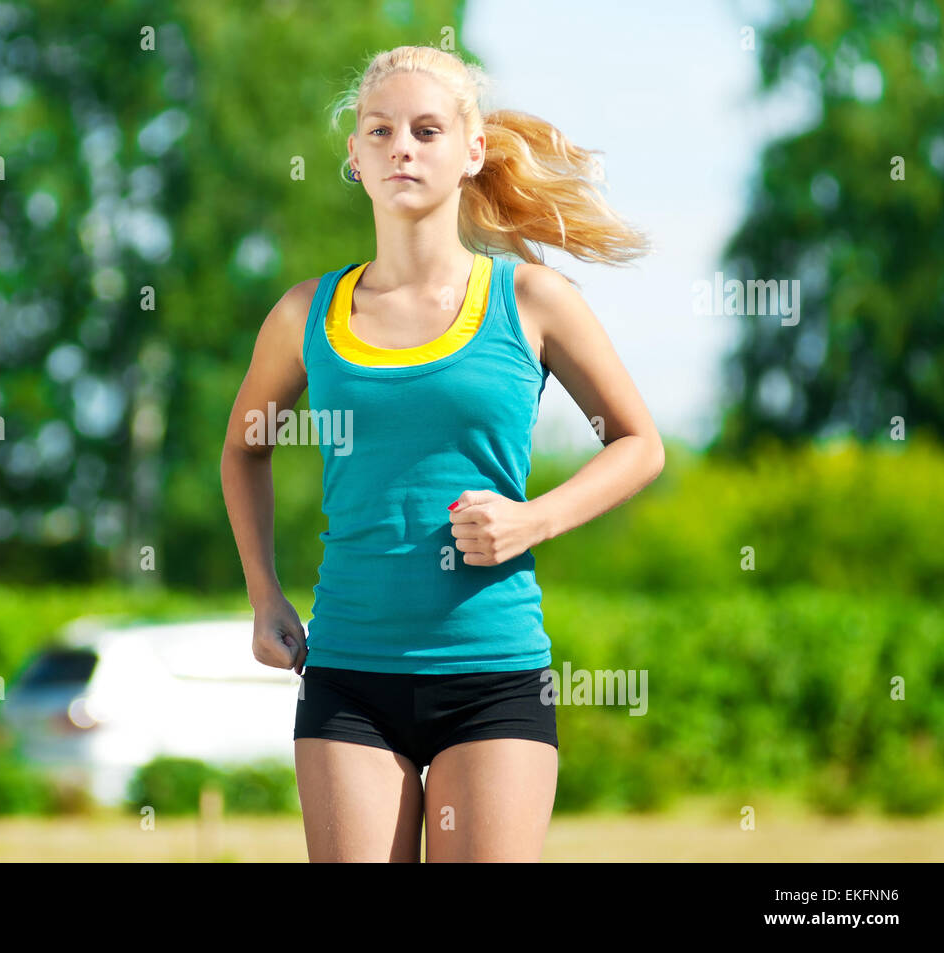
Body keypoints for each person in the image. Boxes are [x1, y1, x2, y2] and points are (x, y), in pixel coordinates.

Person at [220, 45, 664, 862]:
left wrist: (533, 519)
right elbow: (244, 449)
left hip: (492, 675)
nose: (402, 148)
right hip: (348, 673)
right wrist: (263, 592)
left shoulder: (529, 299)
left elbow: (640, 444)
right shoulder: (304, 315)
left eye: (427, 130)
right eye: (380, 130)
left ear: (472, 150)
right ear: (354, 156)